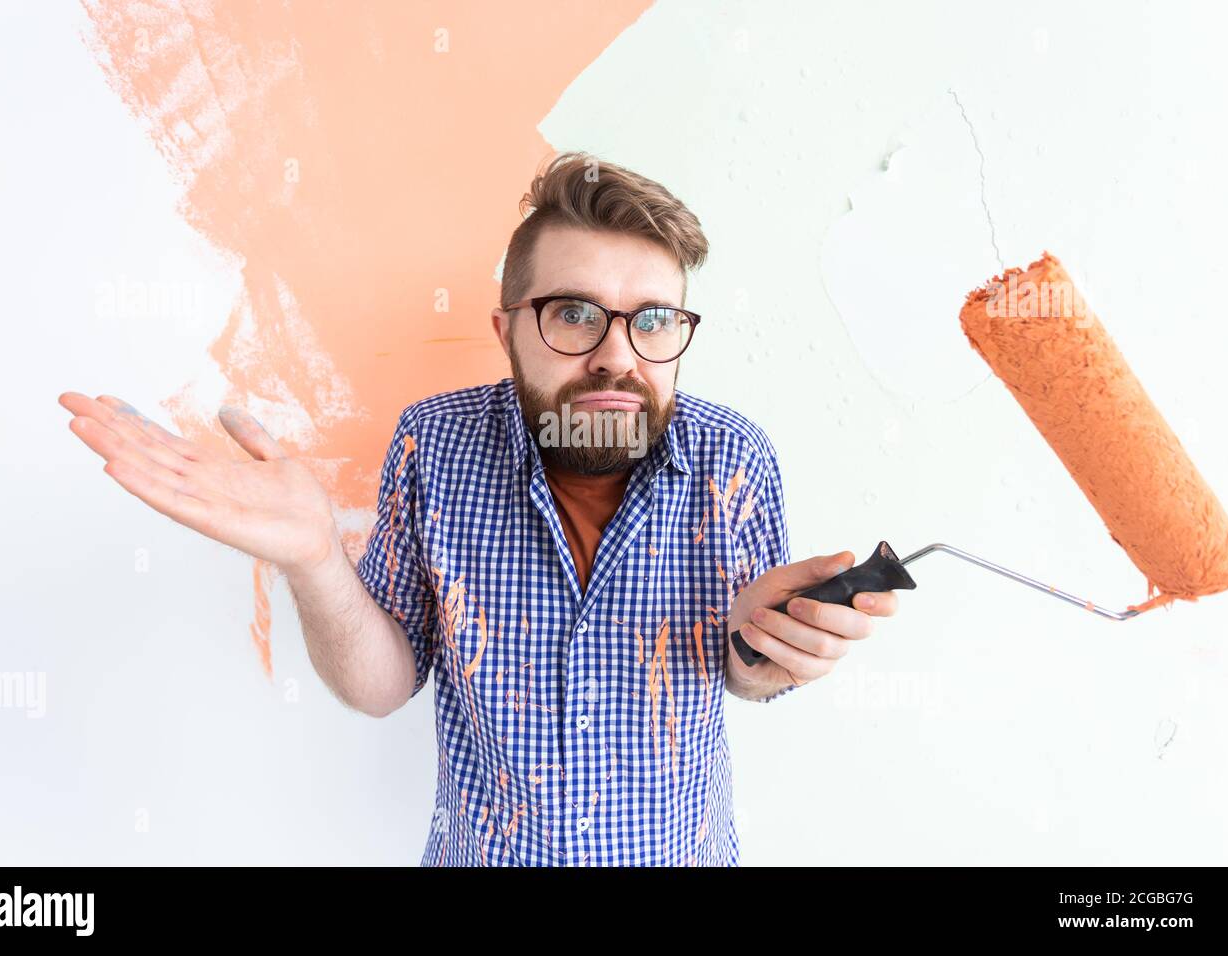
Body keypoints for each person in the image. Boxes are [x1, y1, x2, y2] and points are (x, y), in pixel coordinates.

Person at [59, 151, 899, 866]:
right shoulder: (435, 444)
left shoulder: (736, 458)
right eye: (574, 313)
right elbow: (385, 685)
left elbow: (743, 677)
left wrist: (761, 649)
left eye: (652, 320)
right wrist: (313, 558)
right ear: (505, 331)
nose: (617, 355)